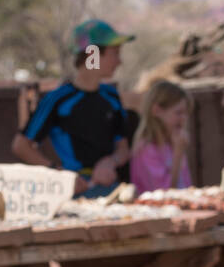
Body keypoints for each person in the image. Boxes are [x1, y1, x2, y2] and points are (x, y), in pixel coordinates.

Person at [12, 19, 135, 197]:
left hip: (111, 191)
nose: (119, 61)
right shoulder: (58, 99)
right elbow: (21, 146)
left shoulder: (112, 96)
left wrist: (110, 162)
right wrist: (58, 174)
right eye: (115, 53)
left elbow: (123, 148)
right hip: (72, 194)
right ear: (92, 54)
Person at [130, 80, 193, 192]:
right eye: (178, 113)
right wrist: (178, 154)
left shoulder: (172, 143)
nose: (184, 118)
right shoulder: (146, 148)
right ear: (157, 111)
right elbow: (165, 192)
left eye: (186, 113)